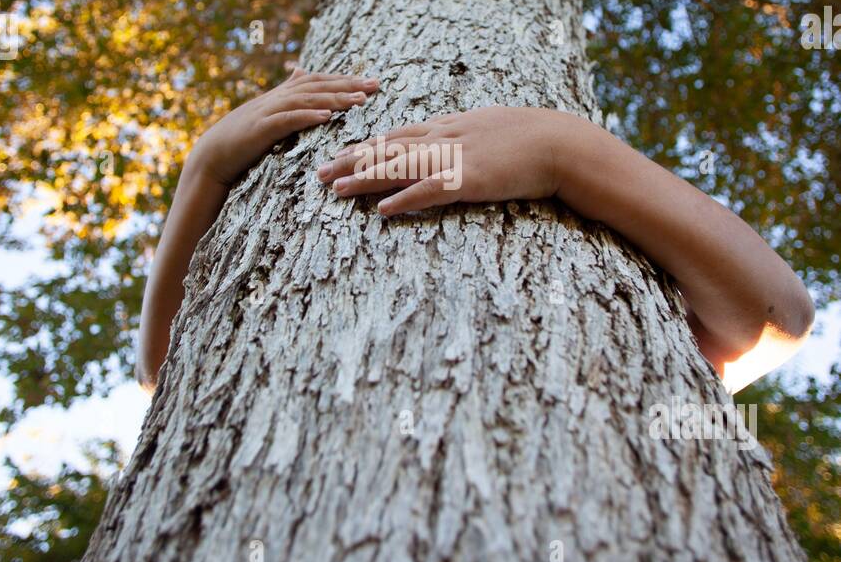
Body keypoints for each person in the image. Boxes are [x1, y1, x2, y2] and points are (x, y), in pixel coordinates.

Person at [136, 66, 814, 396]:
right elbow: (164, 375)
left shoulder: (667, 345)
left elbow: (777, 314)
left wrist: (567, 151)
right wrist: (203, 170)